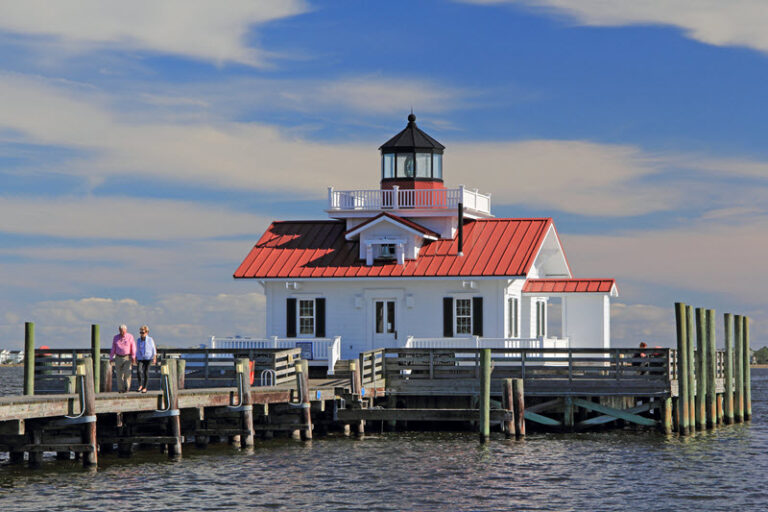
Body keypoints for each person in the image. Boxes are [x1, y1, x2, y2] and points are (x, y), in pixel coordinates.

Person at [110, 324, 136, 392]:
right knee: (119, 374)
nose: (122, 332)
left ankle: (127, 388)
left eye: (123, 330)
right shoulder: (116, 337)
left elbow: (133, 347)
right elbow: (113, 348)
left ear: (126, 330)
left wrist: (133, 356)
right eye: (121, 330)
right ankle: (121, 389)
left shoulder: (130, 336)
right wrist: (111, 357)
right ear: (119, 330)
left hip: (127, 357)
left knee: (127, 373)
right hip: (118, 357)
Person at [135, 325, 157, 393]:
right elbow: (137, 349)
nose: (142, 334)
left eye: (143, 332)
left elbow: (153, 349)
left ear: (147, 332)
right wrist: (136, 357)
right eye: (141, 332)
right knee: (139, 371)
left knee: (146, 372)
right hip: (141, 358)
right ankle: (140, 385)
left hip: (148, 357)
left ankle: (145, 387)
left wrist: (154, 357)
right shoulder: (138, 340)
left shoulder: (150, 339)